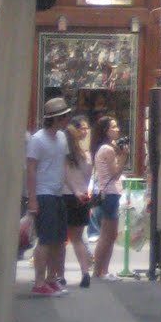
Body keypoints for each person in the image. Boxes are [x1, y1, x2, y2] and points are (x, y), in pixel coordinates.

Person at [25, 98, 72, 297]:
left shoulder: (62, 138)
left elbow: (63, 165)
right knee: (45, 239)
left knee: (58, 240)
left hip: (57, 193)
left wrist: (72, 188)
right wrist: (33, 198)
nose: (68, 119)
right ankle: (39, 281)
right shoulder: (38, 139)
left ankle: (51, 279)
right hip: (44, 194)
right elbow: (31, 169)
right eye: (64, 116)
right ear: (56, 119)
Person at [91, 114, 129, 278]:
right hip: (110, 193)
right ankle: (98, 271)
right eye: (113, 127)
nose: (117, 130)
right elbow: (115, 173)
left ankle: (102, 271)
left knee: (109, 235)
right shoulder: (107, 149)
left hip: (107, 193)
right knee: (107, 235)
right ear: (106, 131)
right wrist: (124, 157)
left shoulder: (105, 147)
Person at [61, 114, 94, 288]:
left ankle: (60, 275)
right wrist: (80, 190)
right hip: (82, 198)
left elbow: (63, 177)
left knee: (61, 239)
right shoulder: (86, 156)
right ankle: (85, 272)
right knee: (78, 239)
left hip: (66, 196)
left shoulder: (64, 156)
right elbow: (88, 177)